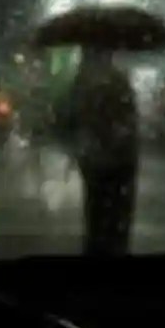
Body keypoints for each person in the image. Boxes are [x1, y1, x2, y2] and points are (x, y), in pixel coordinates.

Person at [68, 48, 139, 254]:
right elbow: (128, 119)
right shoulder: (119, 82)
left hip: (97, 159)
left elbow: (74, 117)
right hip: (117, 159)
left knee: (97, 214)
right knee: (115, 215)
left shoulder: (84, 83)